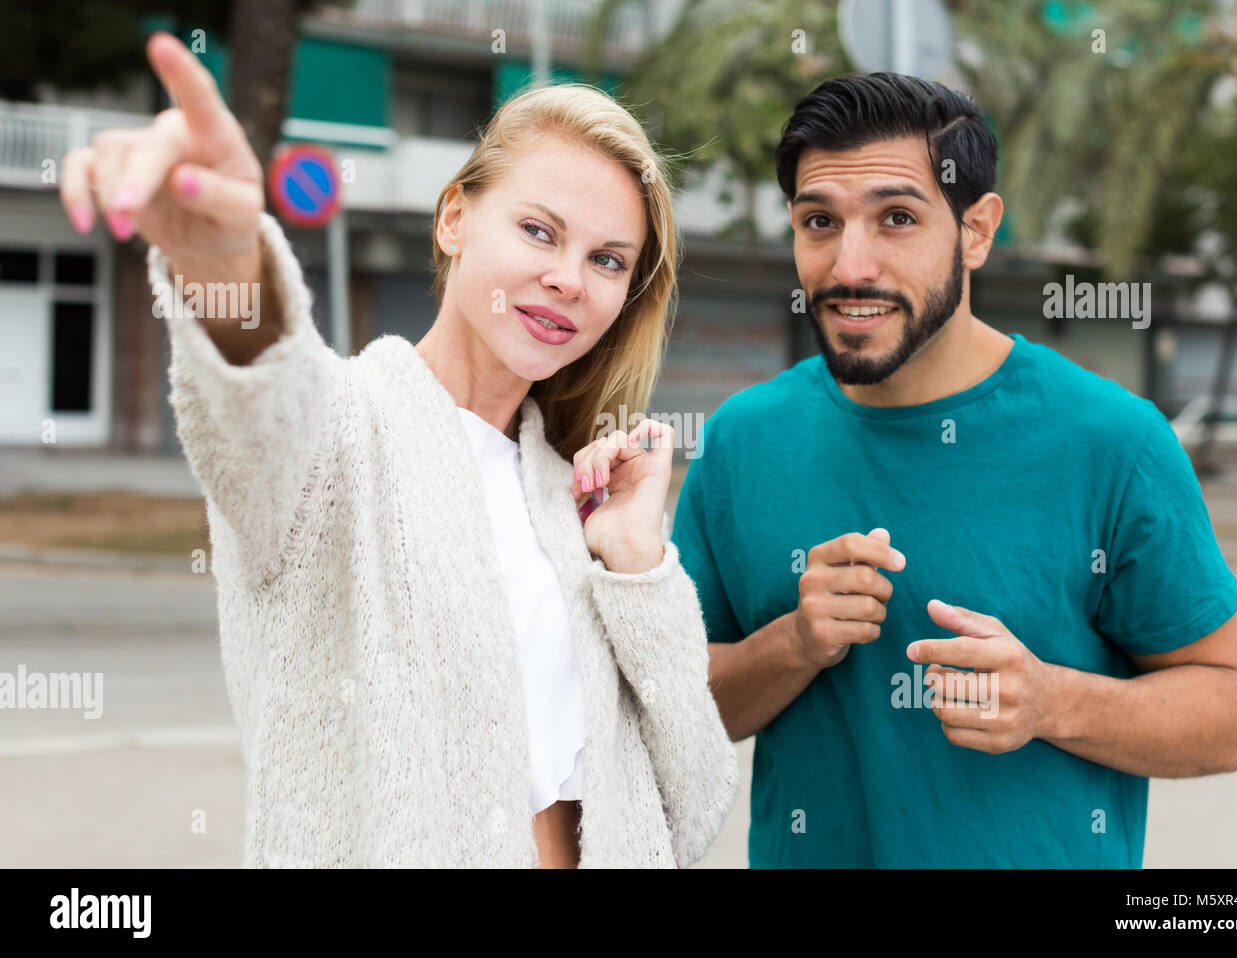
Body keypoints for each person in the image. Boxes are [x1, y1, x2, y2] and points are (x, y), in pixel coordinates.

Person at [59, 32, 737, 868]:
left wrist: (638, 567)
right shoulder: (340, 436)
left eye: (606, 259)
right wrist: (221, 259)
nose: (570, 277)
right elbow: (261, 395)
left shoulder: (575, 507)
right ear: (455, 217)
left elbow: (698, 804)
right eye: (538, 230)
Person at [672, 73, 1237, 868]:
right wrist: (793, 644)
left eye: (898, 219)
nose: (851, 264)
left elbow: (1234, 713)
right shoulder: (742, 441)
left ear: (977, 231)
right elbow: (681, 711)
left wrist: (1052, 702)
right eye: (820, 221)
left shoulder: (1115, 440)